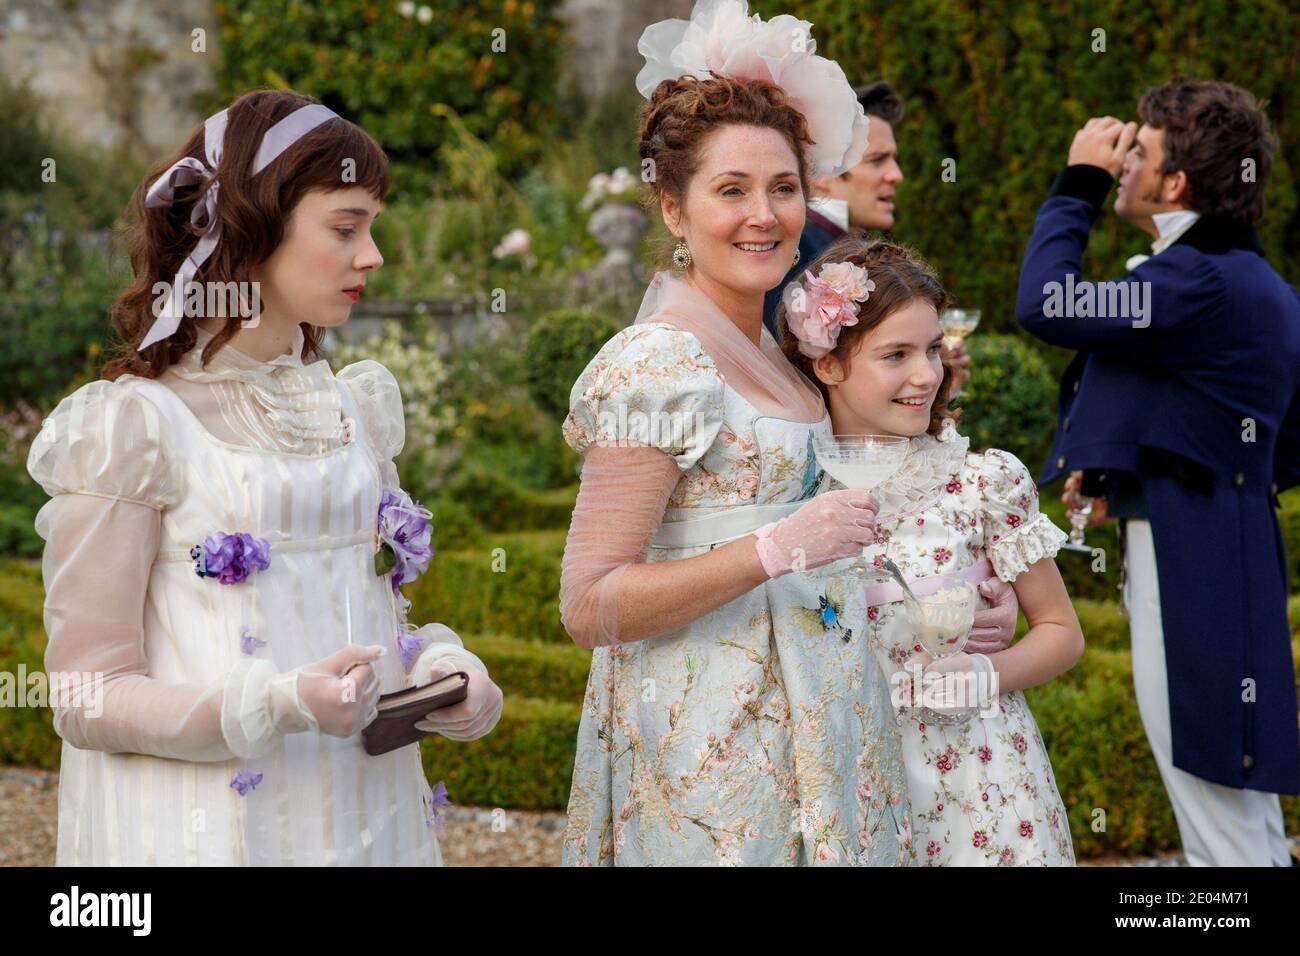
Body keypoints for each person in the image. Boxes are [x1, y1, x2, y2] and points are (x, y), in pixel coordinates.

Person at [26, 89, 503, 865]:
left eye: (371, 228)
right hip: (208, 832)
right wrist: (276, 704)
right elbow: (85, 696)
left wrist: (438, 667)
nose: (373, 256)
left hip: (365, 818)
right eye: (345, 228)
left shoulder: (352, 408)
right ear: (252, 226)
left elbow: (371, 614)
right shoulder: (131, 429)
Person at [1015, 75, 1300, 866]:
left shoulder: (1195, 280)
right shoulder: (1253, 284)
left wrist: (1078, 181)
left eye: (1136, 151)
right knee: (1235, 801)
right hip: (1224, 542)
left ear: (1174, 183)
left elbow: (1047, 304)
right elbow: (1280, 439)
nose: (1121, 162)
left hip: (1193, 555)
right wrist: (1142, 481)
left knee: (1215, 805)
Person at [780, 237, 1082, 864]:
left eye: (933, 349)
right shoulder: (788, 499)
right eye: (896, 354)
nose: (927, 374)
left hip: (983, 786)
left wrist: (986, 675)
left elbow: (1062, 632)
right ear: (828, 365)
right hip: (848, 792)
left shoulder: (984, 483)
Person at [761, 81, 971, 388]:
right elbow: (795, 376)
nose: (896, 175)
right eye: (877, 160)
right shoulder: (797, 249)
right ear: (820, 172)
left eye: (894, 159)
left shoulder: (847, 246)